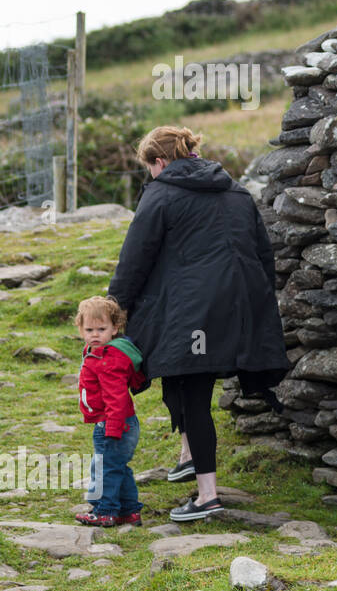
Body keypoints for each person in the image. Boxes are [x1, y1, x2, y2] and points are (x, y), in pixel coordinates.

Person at [108, 126, 290, 522]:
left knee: (192, 390)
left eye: (149, 168)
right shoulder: (236, 190)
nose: (150, 177)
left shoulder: (160, 194)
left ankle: (207, 497)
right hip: (236, 305)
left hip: (193, 311)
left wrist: (114, 306)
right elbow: (263, 254)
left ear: (159, 162)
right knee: (178, 372)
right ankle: (189, 455)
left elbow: (135, 256)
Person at [74, 296, 149, 527]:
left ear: (115, 328)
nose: (94, 334)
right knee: (117, 466)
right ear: (80, 328)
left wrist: (113, 428)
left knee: (105, 467)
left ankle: (105, 511)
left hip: (114, 423)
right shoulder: (98, 353)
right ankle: (129, 511)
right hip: (118, 422)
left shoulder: (109, 359)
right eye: (89, 329)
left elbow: (116, 397)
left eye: (101, 329)